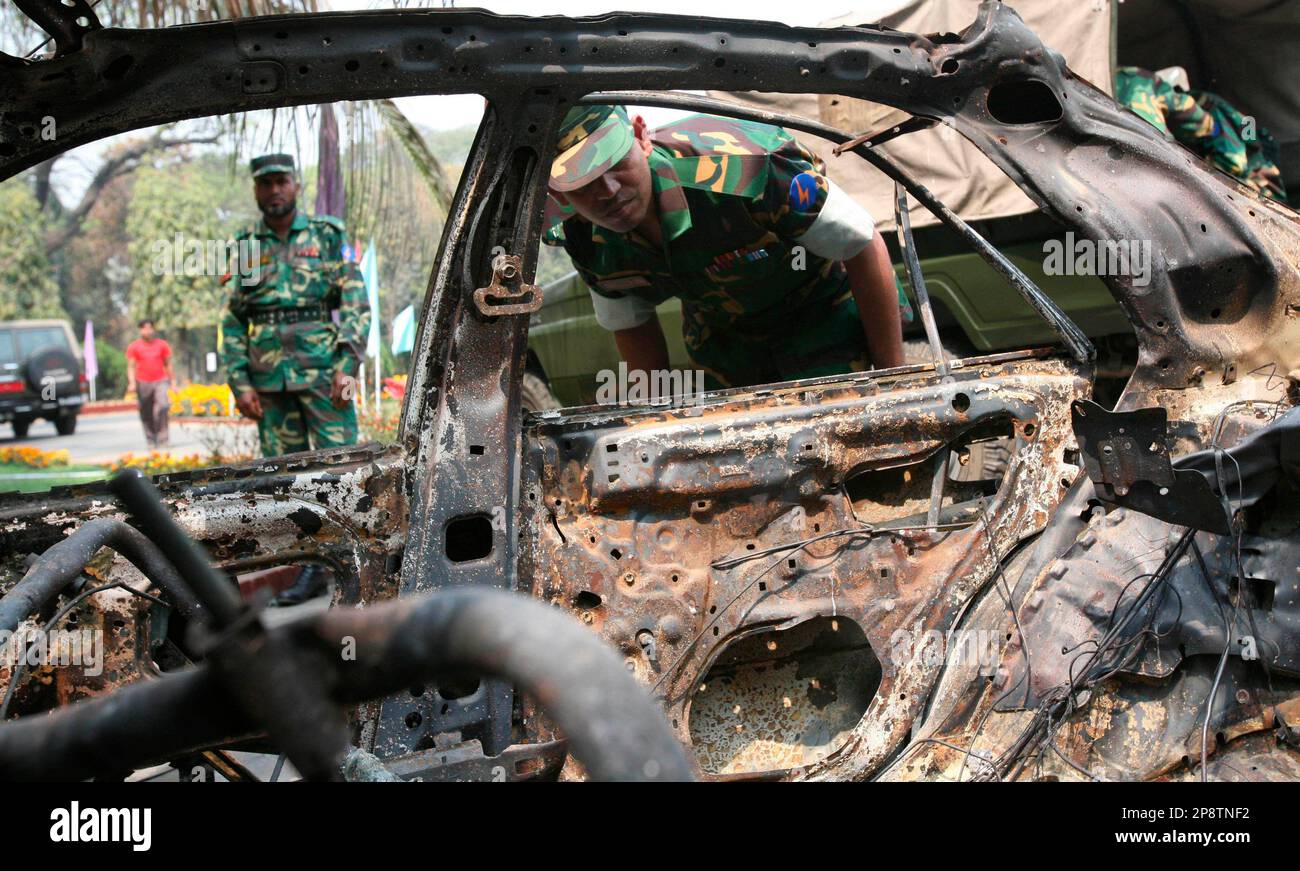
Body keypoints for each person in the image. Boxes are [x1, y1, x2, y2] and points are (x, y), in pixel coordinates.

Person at [543, 105, 909, 392]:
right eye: (582, 182)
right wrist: (648, 424)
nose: (607, 191)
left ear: (640, 136)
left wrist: (895, 381)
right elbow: (631, 327)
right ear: (559, 192)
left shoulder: (747, 168)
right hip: (724, 343)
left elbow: (861, 243)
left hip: (823, 313)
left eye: (614, 162)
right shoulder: (584, 238)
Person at [220, 153, 369, 458]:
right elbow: (232, 319)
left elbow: (356, 301)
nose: (274, 189)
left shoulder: (327, 234)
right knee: (280, 477)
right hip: (269, 382)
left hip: (328, 375)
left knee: (346, 465)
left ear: (296, 187)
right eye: (265, 183)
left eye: (282, 182)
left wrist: (348, 366)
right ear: (255, 191)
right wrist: (240, 384)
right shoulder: (245, 246)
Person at [125, 318, 174, 449]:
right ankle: (151, 439)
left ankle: (163, 438)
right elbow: (131, 366)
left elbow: (168, 364)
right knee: (146, 412)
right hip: (142, 382)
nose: (148, 331)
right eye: (144, 328)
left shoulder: (162, 345)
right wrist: (131, 383)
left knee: (163, 406)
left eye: (150, 328)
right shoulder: (134, 346)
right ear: (140, 330)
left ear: (154, 329)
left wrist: (173, 382)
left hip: (160, 380)